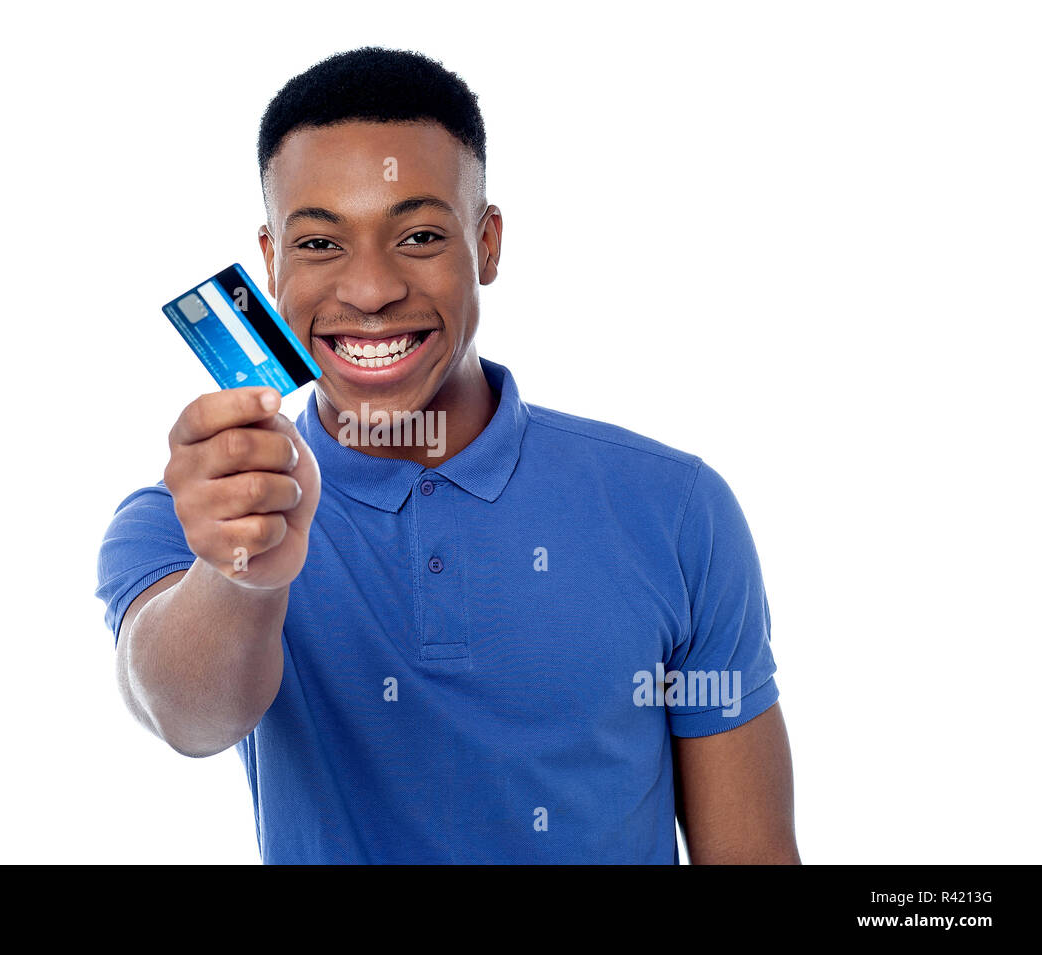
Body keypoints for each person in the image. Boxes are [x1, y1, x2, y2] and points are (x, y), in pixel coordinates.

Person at [96, 46, 800, 864]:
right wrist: (241, 570)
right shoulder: (188, 521)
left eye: (421, 234)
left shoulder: (677, 507)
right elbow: (189, 716)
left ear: (487, 244)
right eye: (321, 244)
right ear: (270, 263)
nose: (369, 290)